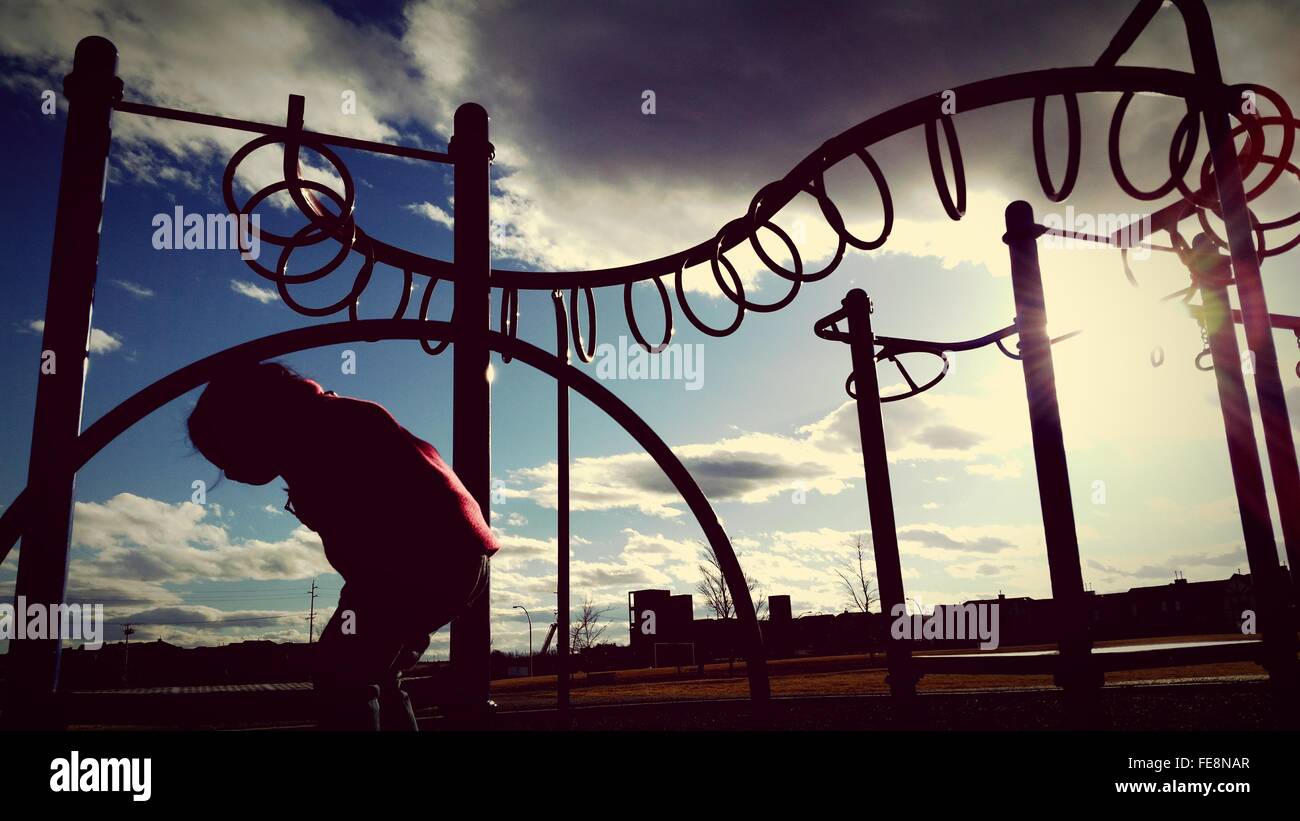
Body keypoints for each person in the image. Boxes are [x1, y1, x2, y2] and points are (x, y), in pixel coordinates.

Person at [187, 362, 498, 730]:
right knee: (375, 672)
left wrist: (363, 591)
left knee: (341, 673)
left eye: (227, 455)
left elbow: (369, 524)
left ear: (253, 423)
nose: (230, 473)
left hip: (419, 560)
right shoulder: (326, 420)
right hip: (451, 556)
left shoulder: (318, 432)